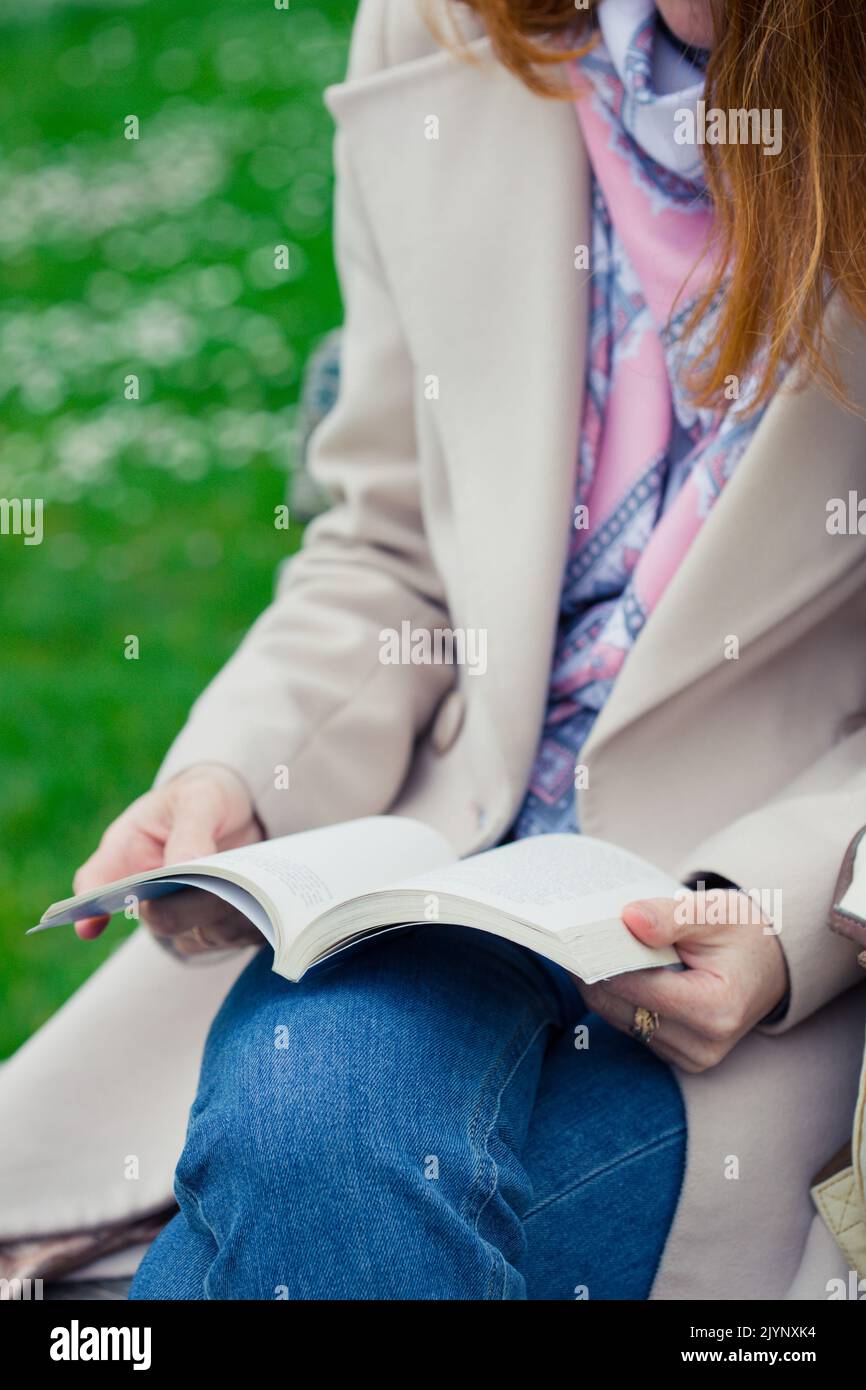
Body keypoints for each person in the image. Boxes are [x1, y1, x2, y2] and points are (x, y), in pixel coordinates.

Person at [8, 0, 866, 1299]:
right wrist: (238, 766)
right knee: (306, 1124)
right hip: (437, 873)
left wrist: (789, 915)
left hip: (732, 954)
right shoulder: (445, 28)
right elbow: (391, 541)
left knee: (246, 1236)